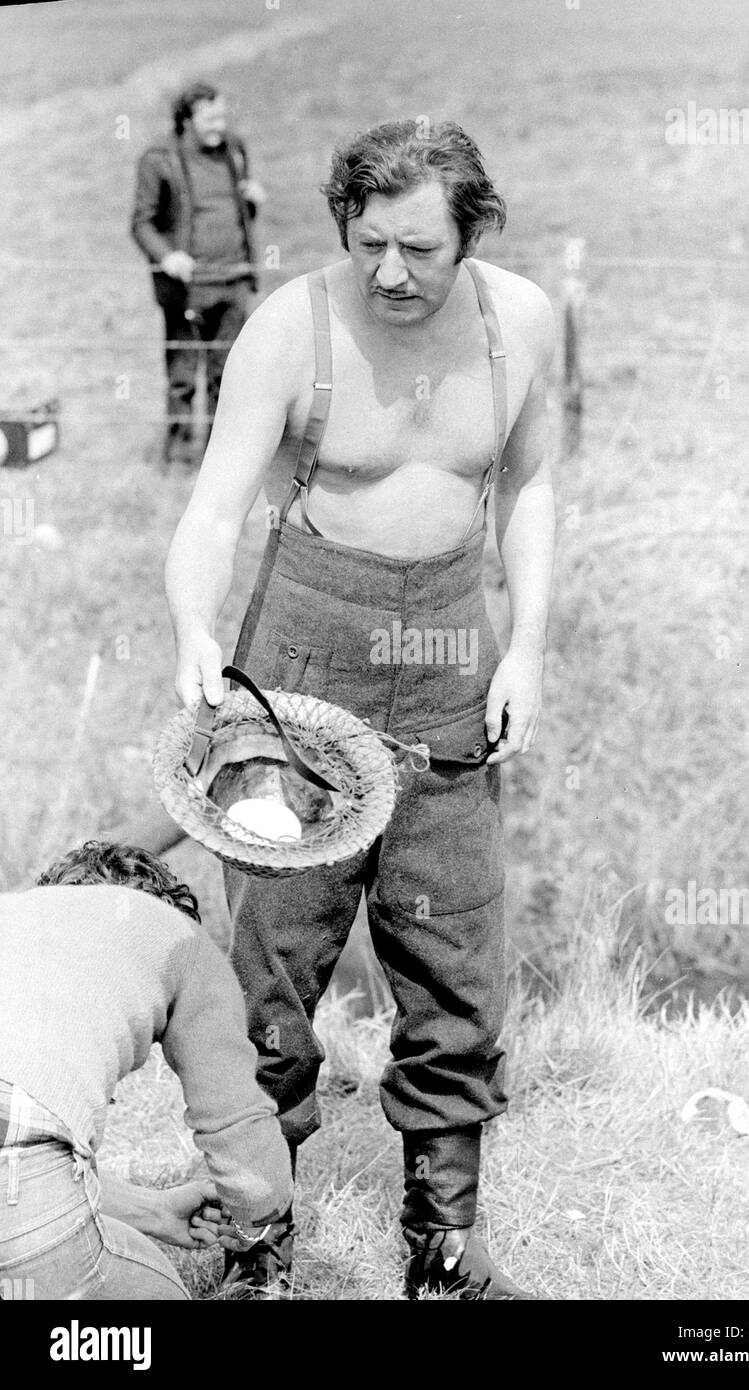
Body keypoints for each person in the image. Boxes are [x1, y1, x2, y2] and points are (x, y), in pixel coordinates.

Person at [164, 119, 556, 1300]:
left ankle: (444, 1240)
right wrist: (192, 626)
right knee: (273, 969)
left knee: (453, 958)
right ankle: (254, 1239)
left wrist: (526, 645)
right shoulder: (293, 328)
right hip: (299, 671)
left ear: (471, 232)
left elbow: (534, 483)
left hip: (449, 663)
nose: (388, 271)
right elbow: (211, 509)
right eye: (367, 241)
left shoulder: (520, 322)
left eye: (418, 247)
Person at [0, 841, 293, 1300]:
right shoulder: (177, 941)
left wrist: (154, 1210)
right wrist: (256, 1216)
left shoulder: (13, 911)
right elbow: (239, 1131)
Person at [130, 80, 266, 466]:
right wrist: (168, 256)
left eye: (222, 116)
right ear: (185, 119)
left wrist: (251, 200)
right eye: (209, 118)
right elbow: (141, 223)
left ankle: (216, 462)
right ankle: (175, 460)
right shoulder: (159, 160)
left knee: (228, 377)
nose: (218, 125)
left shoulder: (234, 151)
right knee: (183, 377)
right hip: (186, 290)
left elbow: (235, 210)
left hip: (234, 282)